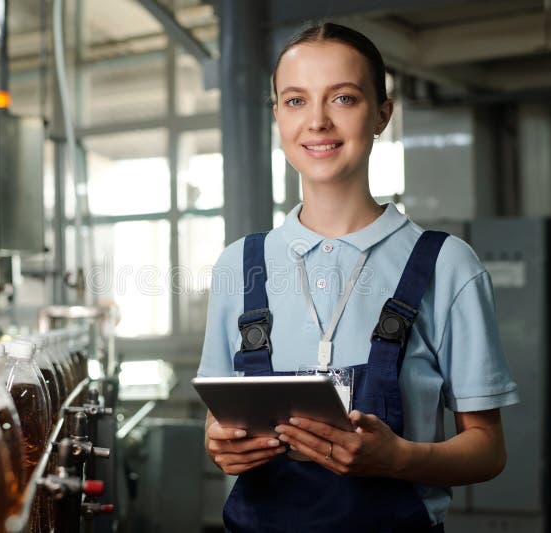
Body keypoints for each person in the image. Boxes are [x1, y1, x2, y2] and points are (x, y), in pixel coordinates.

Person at [197, 22, 519, 532]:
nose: (317, 122)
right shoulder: (238, 265)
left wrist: (398, 458)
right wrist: (221, 445)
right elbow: (218, 423)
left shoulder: (447, 264)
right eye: (296, 101)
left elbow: (488, 450)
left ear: (382, 114)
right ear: (277, 115)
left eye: (343, 98)